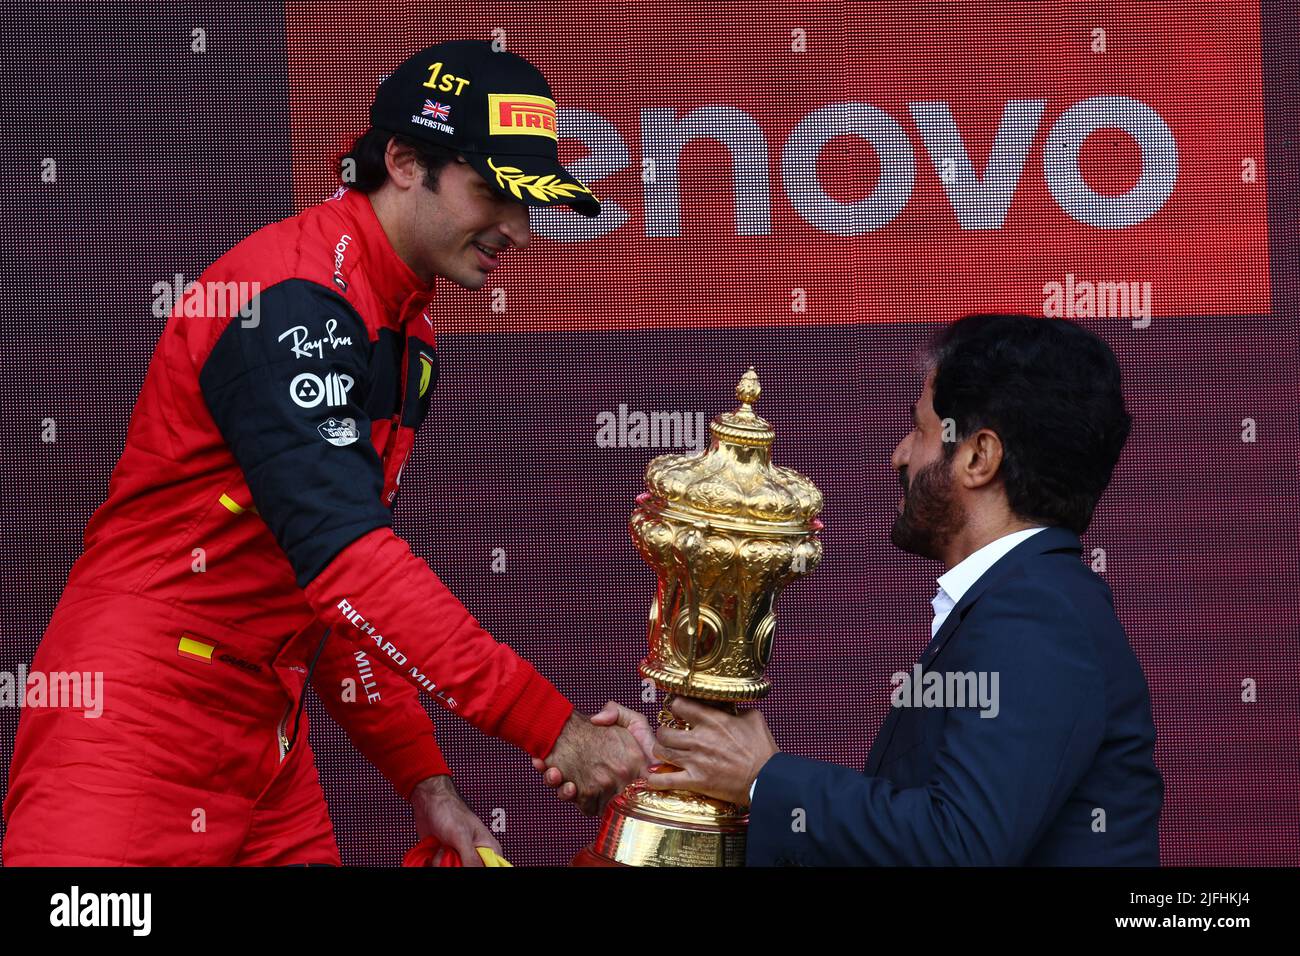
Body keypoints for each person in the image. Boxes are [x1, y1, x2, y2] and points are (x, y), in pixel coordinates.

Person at [3, 40, 648, 867]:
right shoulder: (289, 301)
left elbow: (334, 597)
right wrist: (551, 727)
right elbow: (351, 564)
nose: (518, 230)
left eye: (532, 202)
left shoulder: (408, 331)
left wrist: (427, 785)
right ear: (404, 160)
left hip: (267, 739)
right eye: (494, 193)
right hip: (134, 722)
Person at [629, 314, 1165, 865]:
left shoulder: (1037, 616)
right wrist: (690, 768)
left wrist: (765, 780)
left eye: (920, 430)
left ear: (979, 457)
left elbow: (957, 846)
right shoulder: (1021, 603)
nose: (900, 455)